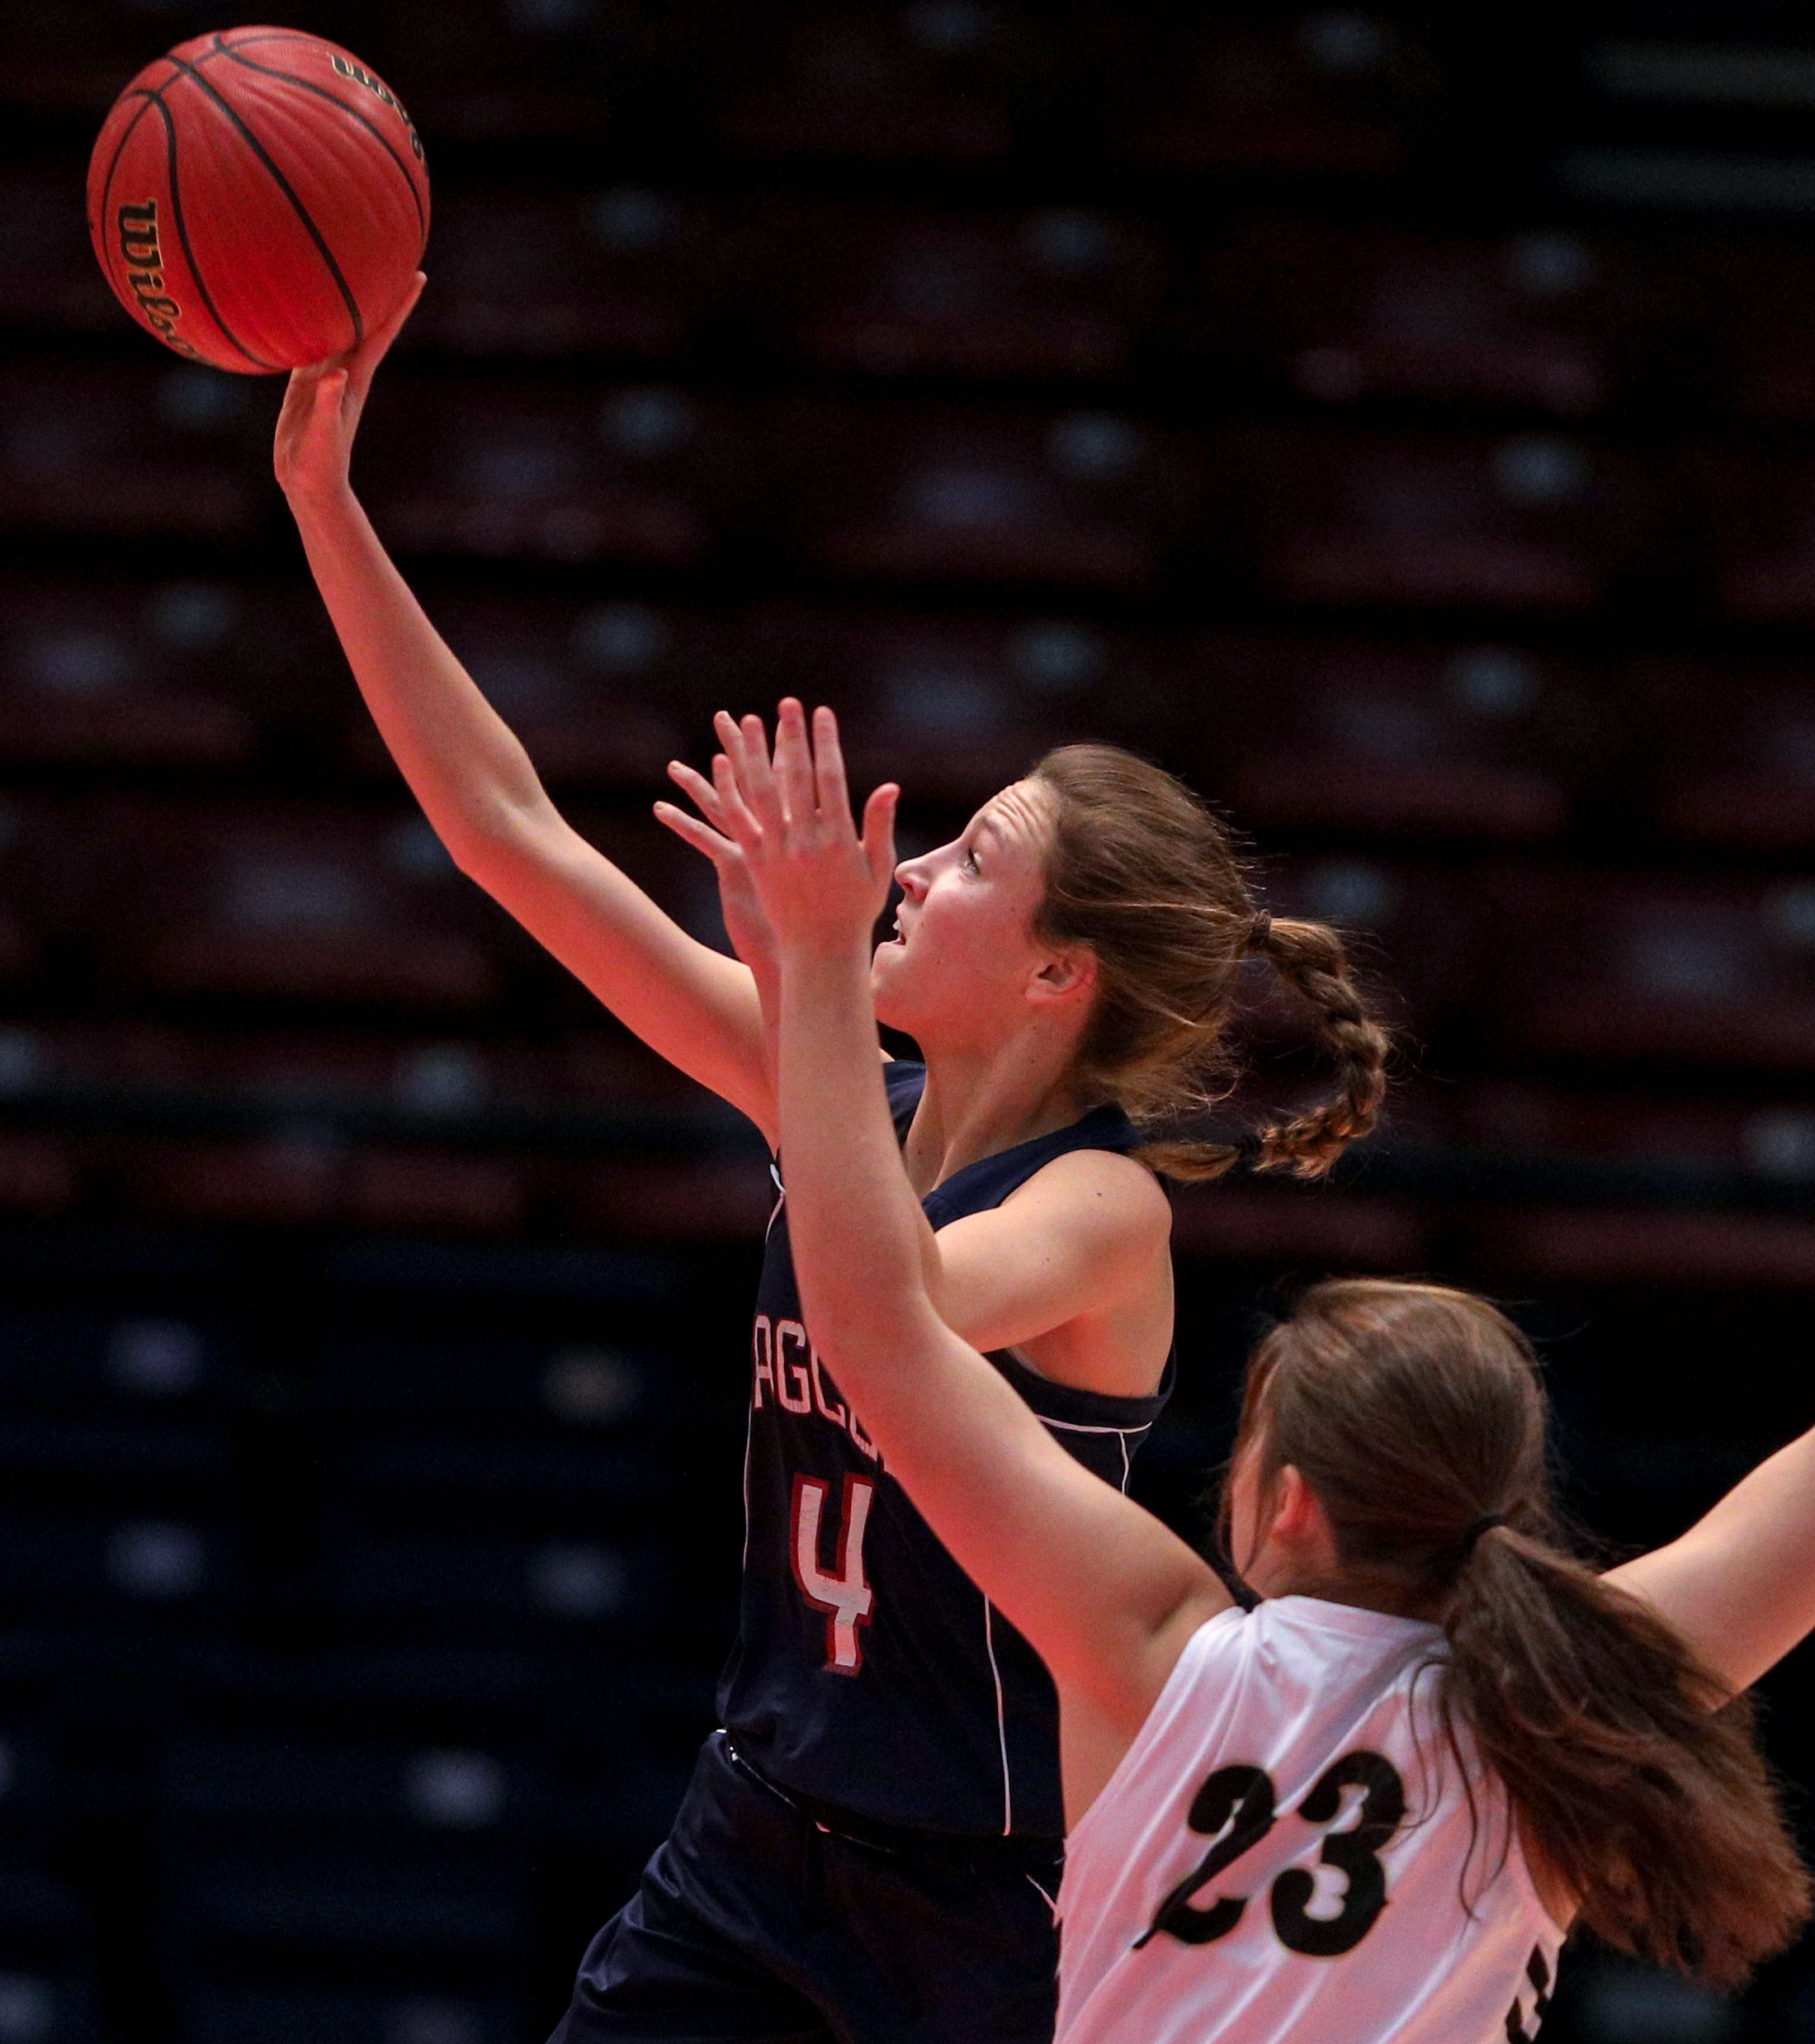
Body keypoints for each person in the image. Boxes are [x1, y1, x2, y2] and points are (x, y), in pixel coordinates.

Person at [272, 284, 1392, 2044]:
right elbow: (508, 835)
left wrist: (804, 969)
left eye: (969, 858)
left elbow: (900, 1310)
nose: (913, 868)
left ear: (1056, 975)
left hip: (987, 1897)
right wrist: (328, 509)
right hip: (756, 1832)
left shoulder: (1104, 1208)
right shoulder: (842, 1092)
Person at [736, 699, 1815, 2043]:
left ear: (1287, 1500)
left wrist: (818, 966)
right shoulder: (1571, 1701)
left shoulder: (1156, 1645)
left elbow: (873, 1328)